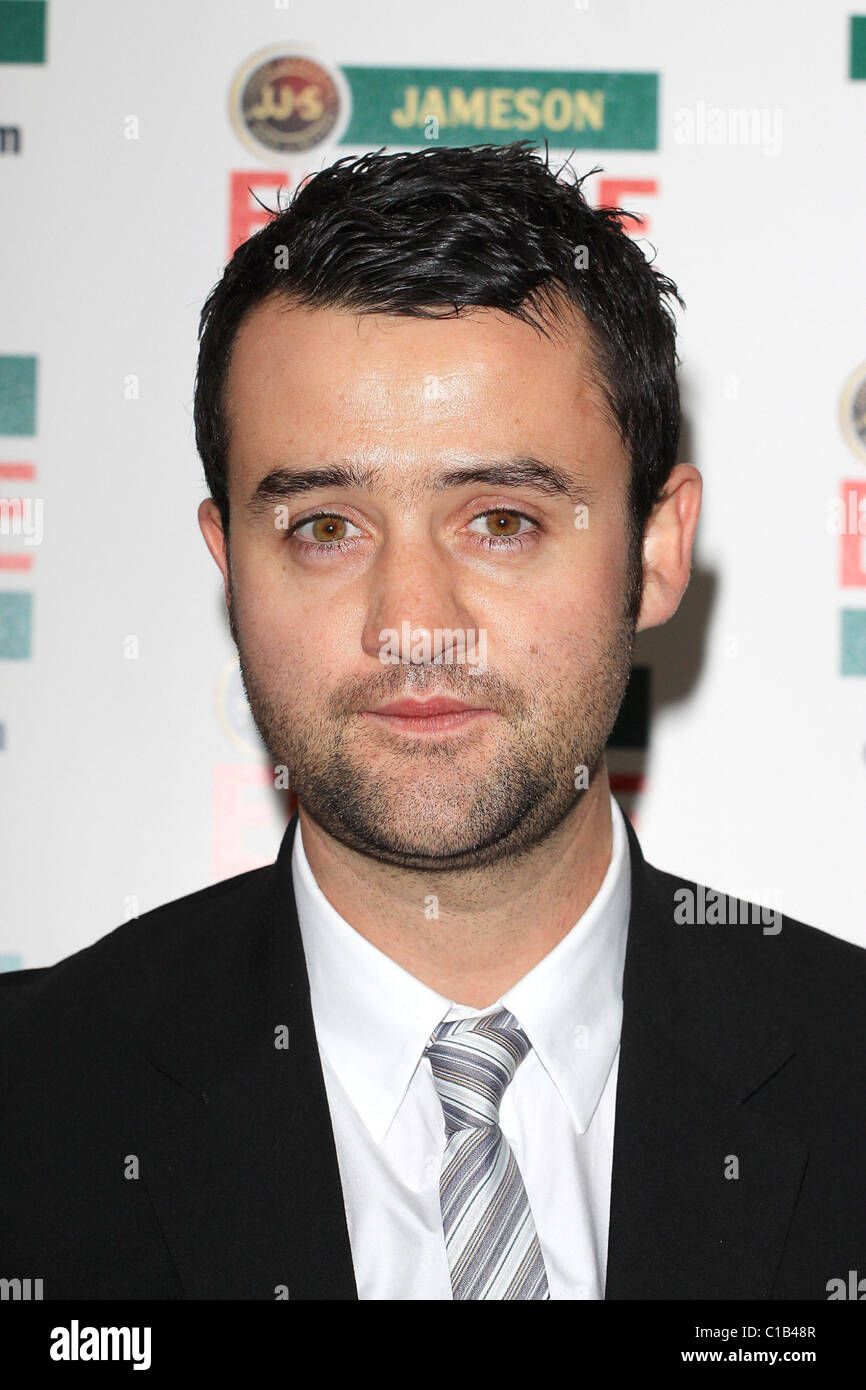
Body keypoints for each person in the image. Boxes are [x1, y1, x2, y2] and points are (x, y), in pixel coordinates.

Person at [2, 142, 864, 1301]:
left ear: (654, 550)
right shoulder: (31, 1106)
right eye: (323, 527)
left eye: (500, 520)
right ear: (229, 566)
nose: (411, 625)